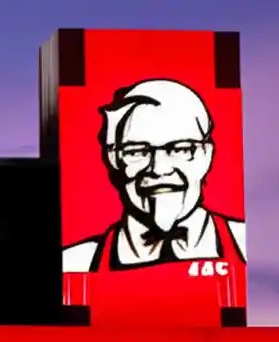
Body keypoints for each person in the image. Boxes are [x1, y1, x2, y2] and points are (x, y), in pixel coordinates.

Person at [63, 79, 246, 275]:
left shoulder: (247, 244)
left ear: (206, 155)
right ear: (114, 159)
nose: (159, 169)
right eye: (137, 151)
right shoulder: (74, 264)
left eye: (180, 149)